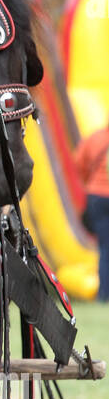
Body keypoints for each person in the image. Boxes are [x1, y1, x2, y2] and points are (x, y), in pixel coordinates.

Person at [74, 117, 109, 301]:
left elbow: (79, 163)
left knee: (104, 247)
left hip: (97, 196)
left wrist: (91, 183)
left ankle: (104, 294)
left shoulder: (95, 138)